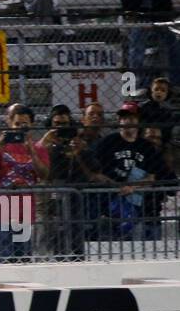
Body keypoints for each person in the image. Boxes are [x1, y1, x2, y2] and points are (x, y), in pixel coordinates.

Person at [92, 100, 169, 239]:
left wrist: (132, 187)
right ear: (119, 120)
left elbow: (151, 178)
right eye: (124, 117)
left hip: (139, 203)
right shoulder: (107, 142)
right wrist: (116, 186)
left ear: (138, 121)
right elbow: (95, 173)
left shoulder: (146, 146)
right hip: (110, 202)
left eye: (131, 118)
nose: (127, 121)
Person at [0, 102, 50, 261]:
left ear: (31, 125)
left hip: (24, 210)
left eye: (24, 125)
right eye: (17, 124)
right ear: (9, 123)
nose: (20, 128)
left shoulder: (38, 148)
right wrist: (1, 143)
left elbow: (44, 174)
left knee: (22, 259)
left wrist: (32, 152)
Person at [36, 106, 95, 258]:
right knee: (49, 228)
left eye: (64, 124)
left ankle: (77, 257)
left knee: (75, 228)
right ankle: (47, 259)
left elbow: (93, 171)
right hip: (50, 192)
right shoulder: (45, 144)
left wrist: (78, 151)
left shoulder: (77, 143)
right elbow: (34, 163)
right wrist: (45, 141)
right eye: (57, 124)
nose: (60, 128)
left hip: (73, 192)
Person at [140, 76, 176, 142]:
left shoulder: (168, 109)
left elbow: (169, 129)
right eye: (156, 89)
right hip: (145, 137)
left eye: (163, 90)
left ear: (167, 94)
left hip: (162, 138)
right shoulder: (144, 106)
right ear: (151, 91)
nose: (159, 92)